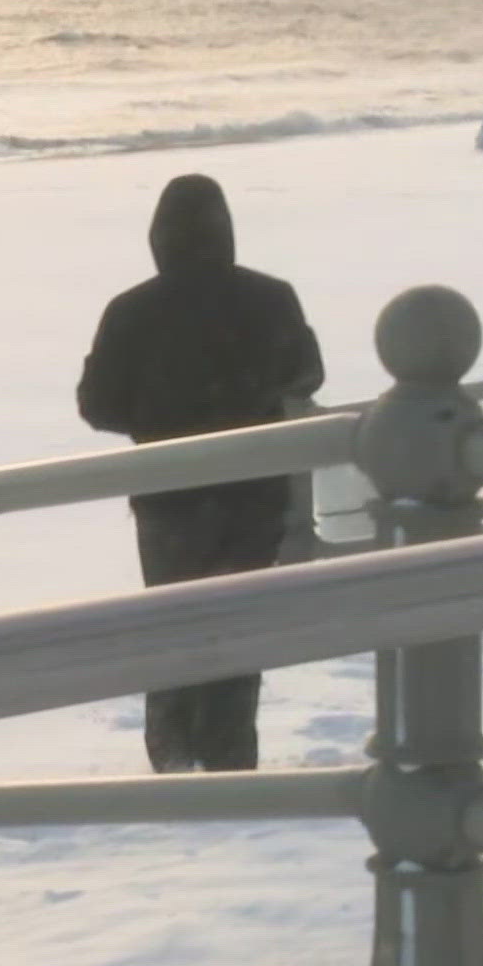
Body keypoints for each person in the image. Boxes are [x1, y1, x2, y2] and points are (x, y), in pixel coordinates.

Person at [77, 173, 326, 773]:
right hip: (255, 496)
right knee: (237, 630)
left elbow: (97, 405)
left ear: (159, 237)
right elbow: (307, 375)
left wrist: (158, 414)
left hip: (169, 500)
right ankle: (229, 756)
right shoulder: (273, 298)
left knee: (173, 624)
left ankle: (172, 755)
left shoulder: (132, 312)